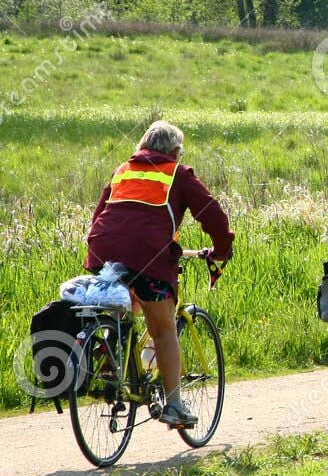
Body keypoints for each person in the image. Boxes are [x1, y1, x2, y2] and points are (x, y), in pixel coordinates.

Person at [84, 120, 233, 428]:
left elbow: (99, 215)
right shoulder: (177, 173)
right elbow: (212, 213)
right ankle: (175, 405)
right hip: (148, 257)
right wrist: (222, 249)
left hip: (103, 250)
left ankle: (111, 355)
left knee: (124, 306)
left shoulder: (123, 170)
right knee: (164, 329)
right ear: (175, 151)